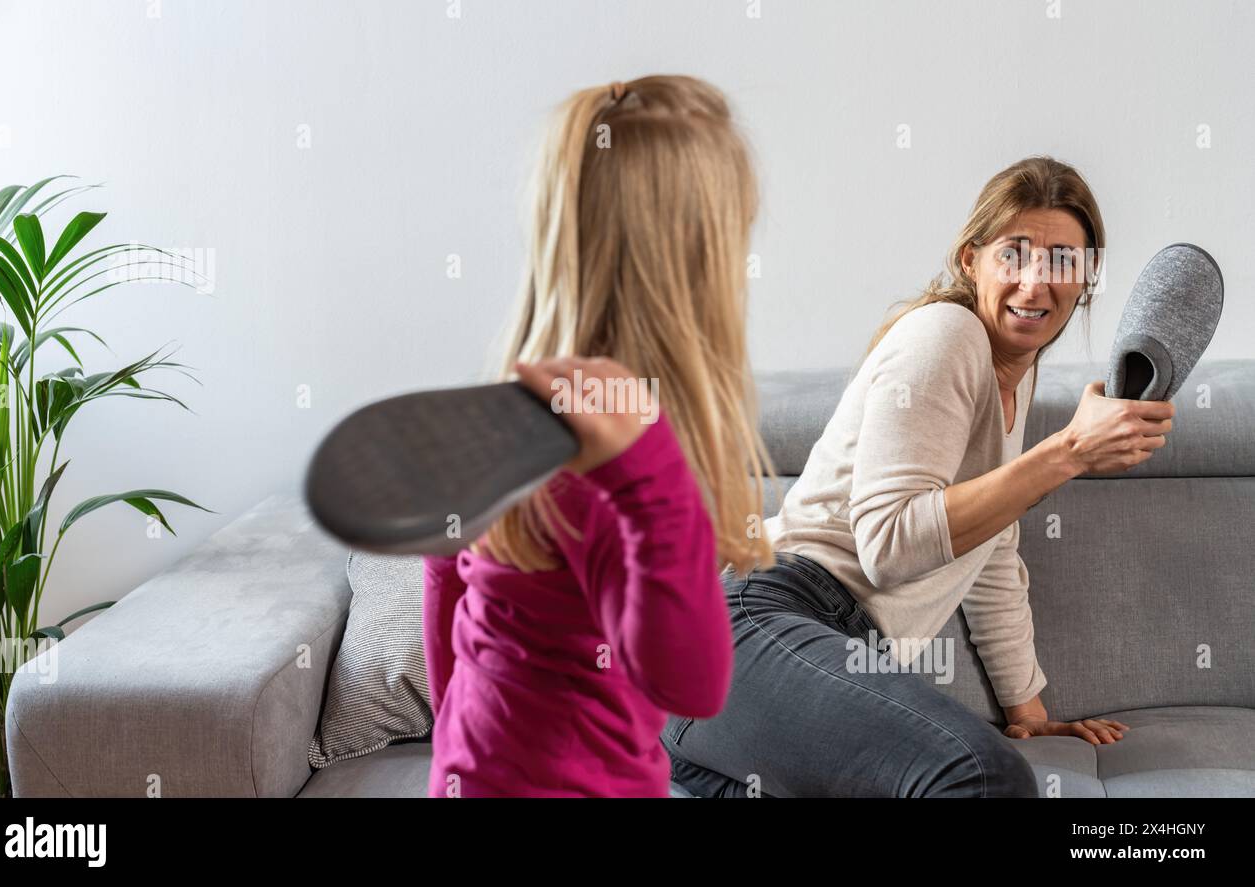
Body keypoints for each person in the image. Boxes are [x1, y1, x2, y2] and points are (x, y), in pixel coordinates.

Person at [663, 156, 1174, 797]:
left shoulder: (1015, 376)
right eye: (1013, 254)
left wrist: (1031, 716)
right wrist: (1068, 451)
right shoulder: (948, 334)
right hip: (757, 624)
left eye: (1064, 261)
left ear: (1088, 278)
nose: (1035, 283)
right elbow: (887, 545)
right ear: (971, 260)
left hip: (761, 703)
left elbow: (990, 556)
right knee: (981, 777)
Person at [421, 76, 776, 797]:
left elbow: (446, 585)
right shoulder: (616, 459)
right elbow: (693, 684)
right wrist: (655, 481)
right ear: (696, 257)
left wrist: (455, 748)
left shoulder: (511, 414)